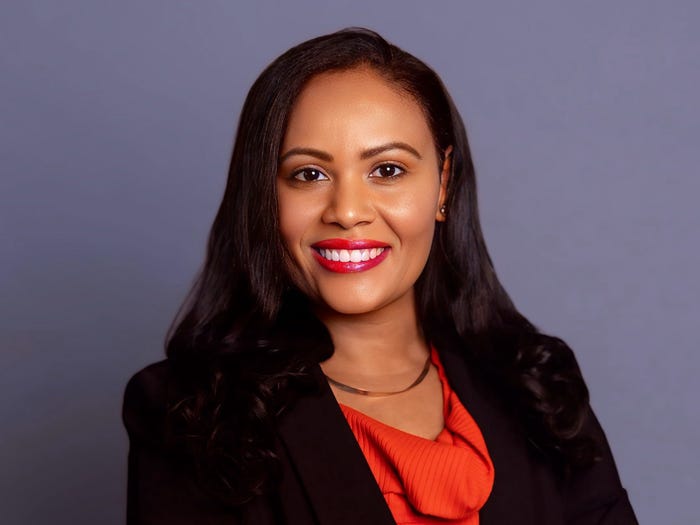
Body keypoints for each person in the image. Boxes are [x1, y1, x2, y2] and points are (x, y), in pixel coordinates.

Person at [123, 28, 637, 524]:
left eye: (387, 170)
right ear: (264, 196)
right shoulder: (191, 416)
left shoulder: (538, 388)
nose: (347, 211)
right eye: (309, 174)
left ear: (443, 184)